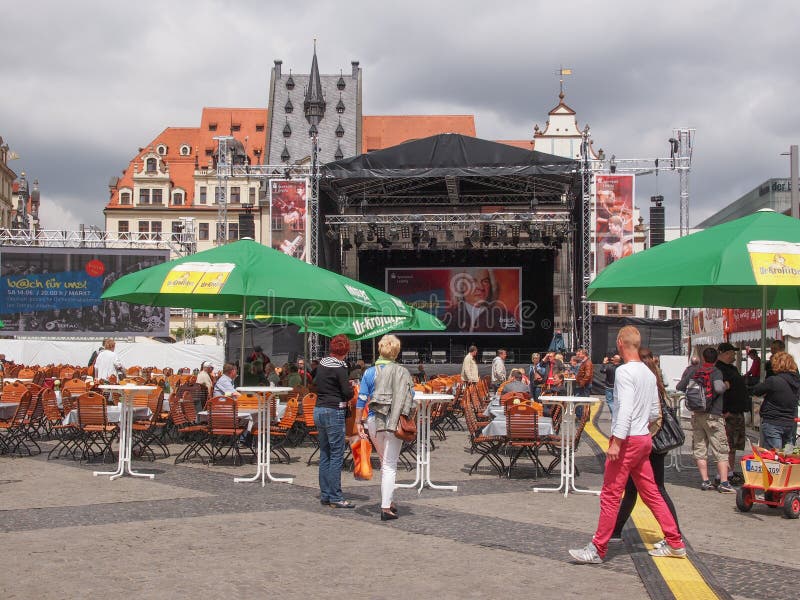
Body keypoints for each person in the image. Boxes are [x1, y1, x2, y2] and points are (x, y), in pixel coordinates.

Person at [569, 325, 685, 564]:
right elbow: (654, 411)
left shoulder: (624, 372)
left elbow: (625, 411)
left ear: (621, 342)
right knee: (651, 492)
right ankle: (675, 542)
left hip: (628, 438)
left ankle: (597, 548)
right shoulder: (648, 372)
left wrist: (617, 442)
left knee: (611, 494)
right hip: (643, 437)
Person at [611, 348, 682, 546]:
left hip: (648, 441)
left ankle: (674, 534)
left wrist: (625, 437)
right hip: (650, 441)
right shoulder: (654, 379)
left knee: (655, 489)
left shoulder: (643, 380)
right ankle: (616, 530)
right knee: (635, 489)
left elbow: (652, 415)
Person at [356, 334, 415, 521]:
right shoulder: (402, 372)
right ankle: (385, 508)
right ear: (396, 351)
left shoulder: (369, 372)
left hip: (373, 421)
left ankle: (388, 500)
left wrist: (358, 422)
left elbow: (362, 399)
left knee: (384, 462)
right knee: (390, 465)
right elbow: (410, 396)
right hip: (393, 422)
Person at [677, 347, 732, 492]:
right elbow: (719, 389)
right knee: (720, 448)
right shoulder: (716, 372)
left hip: (697, 415)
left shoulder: (694, 370)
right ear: (716, 358)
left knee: (700, 449)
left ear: (703, 357)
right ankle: (724, 483)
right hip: (713, 415)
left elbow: (680, 386)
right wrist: (726, 385)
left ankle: (705, 480)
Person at [313, 334, 355, 509]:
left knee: (325, 453)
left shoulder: (322, 364)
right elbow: (347, 393)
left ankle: (325, 494)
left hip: (319, 409)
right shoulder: (340, 366)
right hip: (334, 410)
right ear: (345, 351)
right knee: (337, 455)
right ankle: (336, 497)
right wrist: (351, 387)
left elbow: (316, 384)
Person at [443, 268, 518, 333]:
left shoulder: (504, 317)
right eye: (473, 281)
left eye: (485, 281)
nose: (481, 287)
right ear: (461, 286)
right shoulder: (447, 318)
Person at [752, 351, 800, 451]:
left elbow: (756, 391)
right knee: (788, 456)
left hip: (773, 421)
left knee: (774, 457)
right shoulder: (796, 382)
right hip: (789, 422)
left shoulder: (774, 380)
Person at [715, 342, 748, 485]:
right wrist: (724, 411)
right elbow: (719, 392)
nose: (734, 355)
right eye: (732, 353)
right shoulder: (719, 370)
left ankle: (730, 472)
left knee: (733, 446)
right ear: (725, 353)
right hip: (728, 413)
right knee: (727, 445)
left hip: (737, 412)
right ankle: (723, 475)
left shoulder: (732, 368)